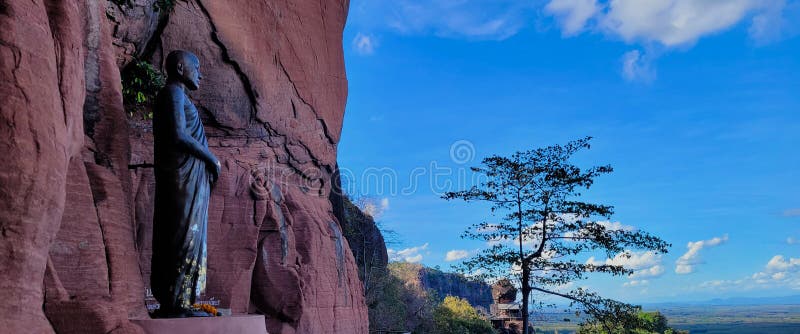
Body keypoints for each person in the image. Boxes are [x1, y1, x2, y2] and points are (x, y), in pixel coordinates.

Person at [150, 50, 220, 317]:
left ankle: (183, 300)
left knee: (190, 235)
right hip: (180, 178)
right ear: (180, 68)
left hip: (190, 178)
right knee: (181, 235)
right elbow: (179, 134)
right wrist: (212, 158)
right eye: (196, 67)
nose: (200, 74)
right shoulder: (173, 93)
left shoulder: (178, 95)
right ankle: (175, 302)